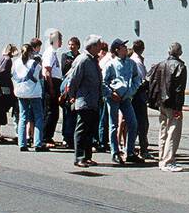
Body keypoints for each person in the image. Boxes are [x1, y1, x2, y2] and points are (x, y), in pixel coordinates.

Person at [145, 41, 188, 171]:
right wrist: (178, 108)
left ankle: (161, 158)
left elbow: (149, 80)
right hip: (173, 104)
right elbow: (179, 89)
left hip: (161, 103)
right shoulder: (180, 66)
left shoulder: (160, 65)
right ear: (180, 52)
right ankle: (168, 161)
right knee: (173, 132)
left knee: (163, 130)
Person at [64, 36, 104, 167]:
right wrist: (72, 96)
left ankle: (87, 156)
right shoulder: (83, 60)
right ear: (92, 46)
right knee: (81, 130)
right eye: (98, 45)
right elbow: (73, 80)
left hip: (93, 101)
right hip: (84, 101)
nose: (100, 47)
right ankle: (79, 157)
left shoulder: (93, 60)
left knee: (90, 130)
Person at [101, 38, 141, 163]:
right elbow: (103, 82)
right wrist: (110, 93)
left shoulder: (131, 63)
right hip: (113, 98)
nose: (125, 48)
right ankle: (115, 152)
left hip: (126, 98)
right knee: (113, 125)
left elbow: (136, 78)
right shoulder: (110, 64)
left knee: (133, 123)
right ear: (117, 49)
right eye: (123, 46)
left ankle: (129, 151)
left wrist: (131, 91)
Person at [14, 39, 46, 151]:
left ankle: (22, 143)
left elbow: (13, 75)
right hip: (33, 92)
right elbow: (39, 77)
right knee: (38, 117)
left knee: (23, 117)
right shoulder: (34, 63)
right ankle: (37, 143)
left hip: (21, 92)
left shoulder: (16, 63)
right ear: (31, 52)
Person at [41, 29, 64, 147]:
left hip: (56, 82)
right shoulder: (49, 52)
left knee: (54, 112)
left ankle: (49, 136)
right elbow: (47, 71)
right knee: (50, 111)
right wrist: (51, 87)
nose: (61, 42)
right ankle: (45, 137)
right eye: (60, 39)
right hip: (52, 83)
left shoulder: (54, 52)